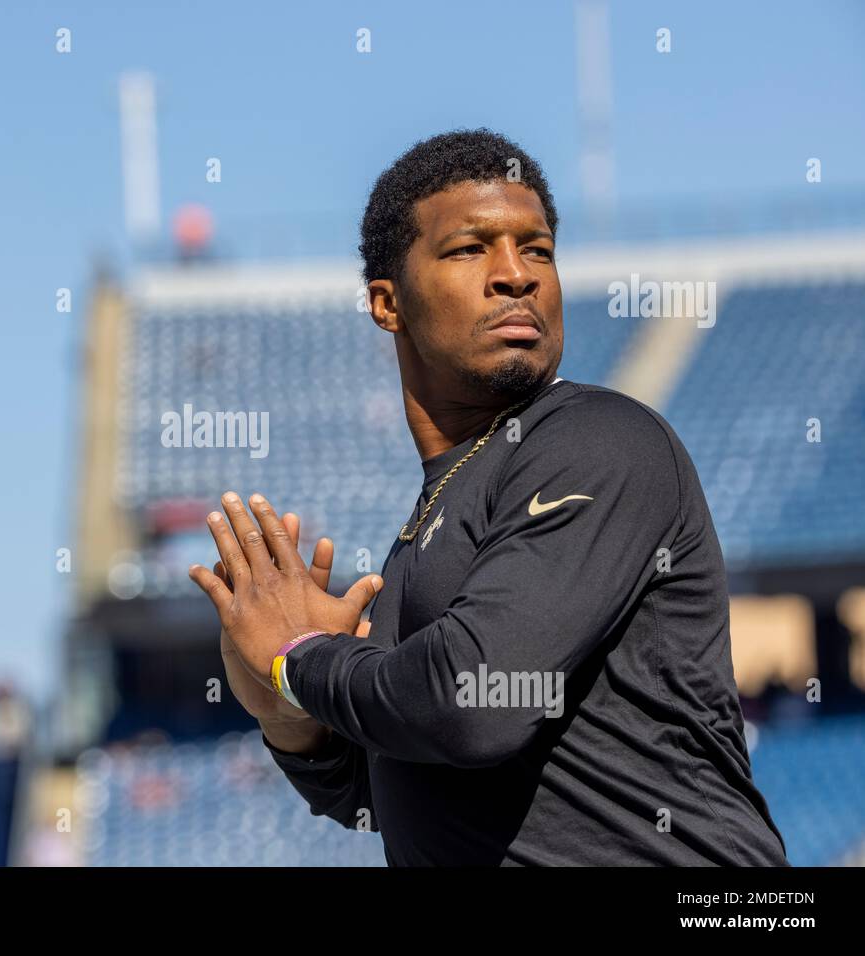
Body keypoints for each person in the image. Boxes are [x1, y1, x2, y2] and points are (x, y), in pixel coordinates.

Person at [188, 129, 788, 866]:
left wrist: (299, 656)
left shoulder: (599, 440)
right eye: (471, 249)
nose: (516, 275)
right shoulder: (434, 514)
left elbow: (477, 701)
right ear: (387, 302)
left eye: (536, 249)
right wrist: (286, 713)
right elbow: (392, 794)